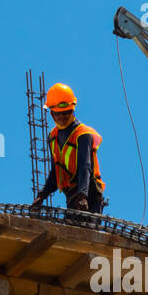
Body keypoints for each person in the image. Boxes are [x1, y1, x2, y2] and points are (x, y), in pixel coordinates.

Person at [31, 83, 106, 213]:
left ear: (72, 110)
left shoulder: (82, 134)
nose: (61, 117)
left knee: (87, 231)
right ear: (51, 113)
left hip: (90, 194)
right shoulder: (53, 137)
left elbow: (85, 166)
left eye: (66, 112)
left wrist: (83, 196)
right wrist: (42, 195)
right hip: (72, 195)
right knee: (73, 230)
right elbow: (56, 172)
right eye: (57, 113)